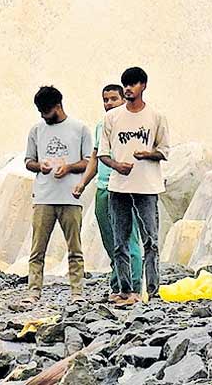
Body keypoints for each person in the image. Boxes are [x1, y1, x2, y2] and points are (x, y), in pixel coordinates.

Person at [97, 67, 170, 306]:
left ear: (143, 86)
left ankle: (153, 290)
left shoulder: (156, 117)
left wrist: (148, 154)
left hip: (147, 187)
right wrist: (117, 166)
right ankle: (126, 290)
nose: (128, 88)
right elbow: (103, 154)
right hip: (119, 186)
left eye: (133, 84)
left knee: (150, 241)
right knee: (121, 241)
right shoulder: (112, 118)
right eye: (125, 84)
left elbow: (164, 150)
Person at [73, 84, 144, 301]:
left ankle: (133, 289)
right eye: (105, 100)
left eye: (114, 99)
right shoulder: (101, 125)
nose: (109, 103)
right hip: (103, 188)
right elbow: (95, 157)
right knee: (110, 240)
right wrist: (83, 183)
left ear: (124, 99)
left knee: (128, 240)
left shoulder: (134, 125)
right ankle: (118, 287)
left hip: (124, 189)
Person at [24, 85, 92, 302]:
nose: (44, 116)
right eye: (41, 113)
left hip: (70, 196)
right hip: (43, 196)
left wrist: (69, 168)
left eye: (47, 111)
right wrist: (39, 166)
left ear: (58, 106)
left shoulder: (80, 129)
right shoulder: (36, 130)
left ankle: (77, 292)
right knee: (37, 250)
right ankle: (34, 292)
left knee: (74, 249)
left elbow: (89, 162)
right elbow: (28, 161)